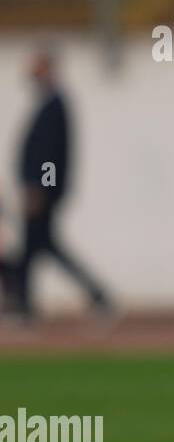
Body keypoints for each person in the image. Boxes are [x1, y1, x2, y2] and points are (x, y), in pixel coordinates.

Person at [7, 50, 112, 320]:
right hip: (41, 191)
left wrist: (41, 188)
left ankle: (24, 306)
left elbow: (52, 153)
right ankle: (95, 294)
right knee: (42, 246)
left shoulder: (55, 105)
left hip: (43, 192)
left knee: (35, 247)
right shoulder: (48, 103)